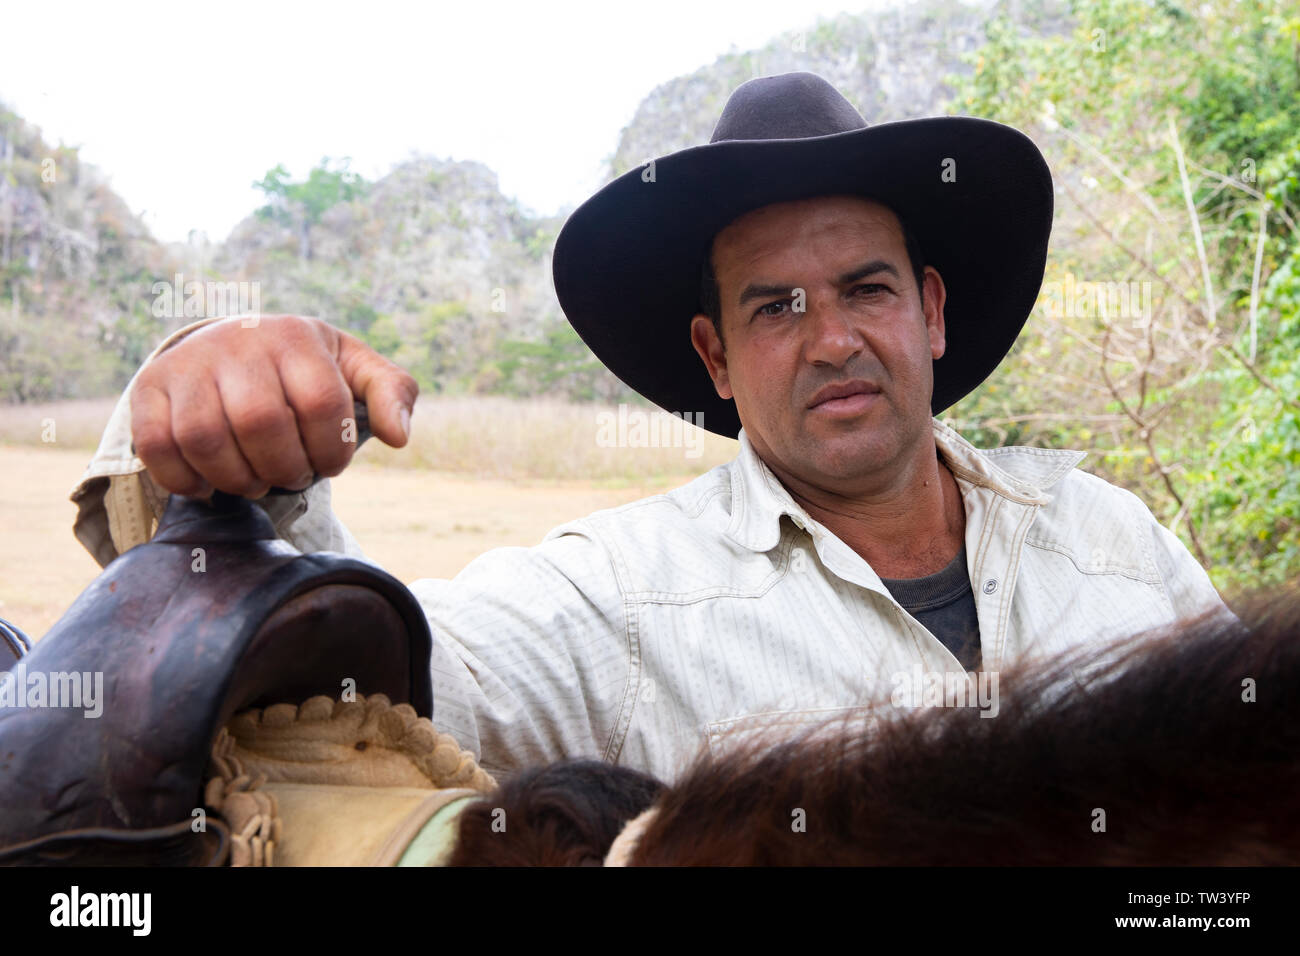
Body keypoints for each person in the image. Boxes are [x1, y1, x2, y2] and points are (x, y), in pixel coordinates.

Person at [68, 72, 1228, 783]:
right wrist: (222, 425)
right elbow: (365, 693)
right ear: (714, 358)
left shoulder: (1110, 537)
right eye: (774, 307)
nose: (829, 338)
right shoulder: (613, 601)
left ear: (928, 312)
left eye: (865, 288)